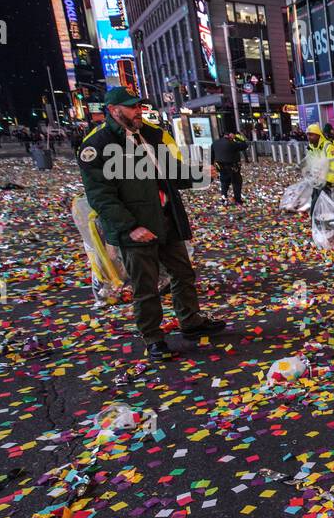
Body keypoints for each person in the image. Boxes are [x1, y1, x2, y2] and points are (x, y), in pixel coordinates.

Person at [77, 86, 226, 360]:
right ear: (113, 110)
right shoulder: (97, 145)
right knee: (145, 286)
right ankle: (154, 338)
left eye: (139, 107)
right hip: (136, 228)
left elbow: (171, 174)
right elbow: (101, 196)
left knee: (182, 273)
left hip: (166, 218)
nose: (139, 112)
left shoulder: (151, 135)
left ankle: (190, 321)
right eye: (132, 107)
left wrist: (201, 175)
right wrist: (130, 227)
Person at [304, 123, 334, 213]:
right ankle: (319, 222)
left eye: (311, 135)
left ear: (318, 135)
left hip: (327, 182)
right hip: (318, 181)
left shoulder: (328, 146)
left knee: (326, 204)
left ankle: (327, 222)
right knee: (317, 203)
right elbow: (311, 161)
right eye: (308, 135)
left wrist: (329, 181)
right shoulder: (313, 147)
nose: (309, 137)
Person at [211, 132, 249, 204]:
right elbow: (245, 145)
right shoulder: (232, 143)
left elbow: (211, 155)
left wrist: (211, 165)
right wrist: (237, 137)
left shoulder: (215, 143)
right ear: (230, 135)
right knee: (237, 182)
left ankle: (224, 199)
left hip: (221, 166)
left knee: (224, 182)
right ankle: (237, 199)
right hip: (233, 166)